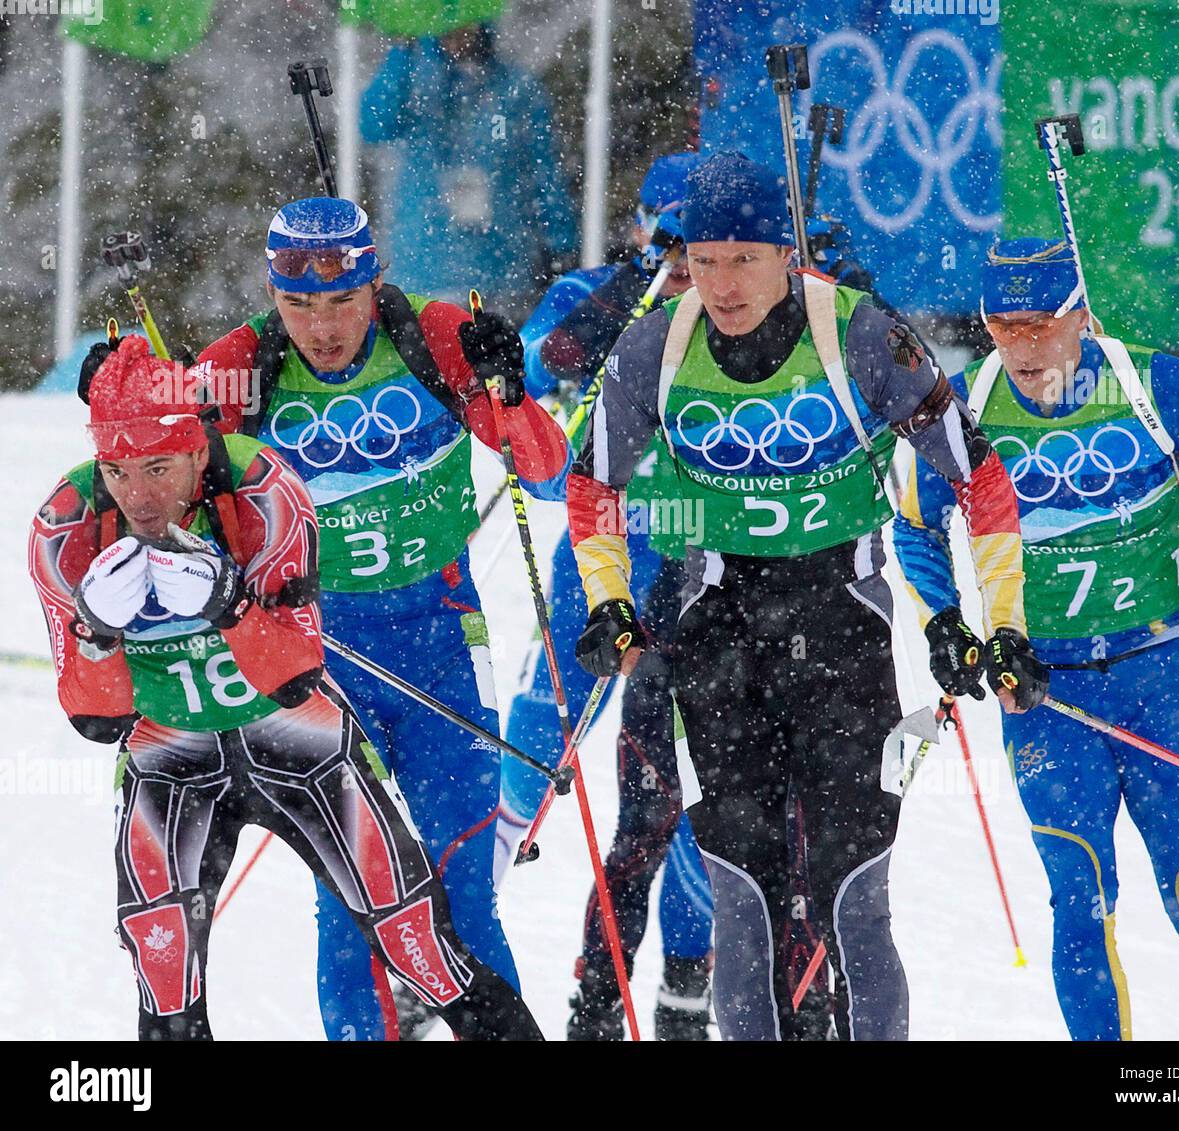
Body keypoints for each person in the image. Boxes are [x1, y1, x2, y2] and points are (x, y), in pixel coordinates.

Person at [564, 151, 1044, 1040]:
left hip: (840, 629)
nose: (722, 281)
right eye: (703, 260)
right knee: (743, 901)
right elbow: (592, 487)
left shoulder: (859, 332)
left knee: (854, 897)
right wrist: (610, 602)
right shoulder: (655, 344)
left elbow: (980, 478)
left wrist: (1002, 624)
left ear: (788, 253)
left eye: (744, 257)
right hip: (718, 633)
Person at [29, 335, 542, 1041]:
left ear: (198, 450)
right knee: (163, 964)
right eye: (116, 470)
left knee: (420, 944)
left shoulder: (265, 488)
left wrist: (230, 607)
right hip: (168, 751)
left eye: (157, 466)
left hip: (294, 739)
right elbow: (95, 718)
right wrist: (94, 632)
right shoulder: (66, 525)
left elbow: (296, 671)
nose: (139, 498)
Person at [194, 196, 571, 1040]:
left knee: (464, 894)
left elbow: (548, 475)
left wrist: (506, 386)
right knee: (352, 902)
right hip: (323, 660)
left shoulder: (432, 337)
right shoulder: (243, 362)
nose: (321, 328)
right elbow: (142, 467)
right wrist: (119, 384)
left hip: (441, 642)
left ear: (376, 281)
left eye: (341, 300)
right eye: (299, 305)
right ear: (270, 294)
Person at [895, 237, 1179, 1041]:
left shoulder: (1158, 385)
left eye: (1039, 324)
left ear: (1081, 317)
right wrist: (950, 627)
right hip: (1043, 687)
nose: (1020, 345)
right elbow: (916, 528)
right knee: (1080, 899)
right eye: (1001, 325)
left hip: (1159, 672)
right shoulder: (963, 408)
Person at [496, 152, 716, 1041]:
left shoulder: (737, 311)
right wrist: (615, 327)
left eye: (695, 244)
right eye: (661, 236)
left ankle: (686, 984)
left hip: (705, 572)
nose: (676, 263)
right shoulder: (591, 296)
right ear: (638, 229)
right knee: (533, 741)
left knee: (692, 791)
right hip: (598, 563)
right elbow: (541, 458)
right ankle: (450, 930)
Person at [360, 19, 578, 320]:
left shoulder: (515, 88)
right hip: (424, 269)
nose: (456, 32)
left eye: (464, 22)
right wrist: (402, 51)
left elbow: (544, 172)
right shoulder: (411, 80)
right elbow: (374, 126)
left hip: (501, 271)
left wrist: (560, 244)